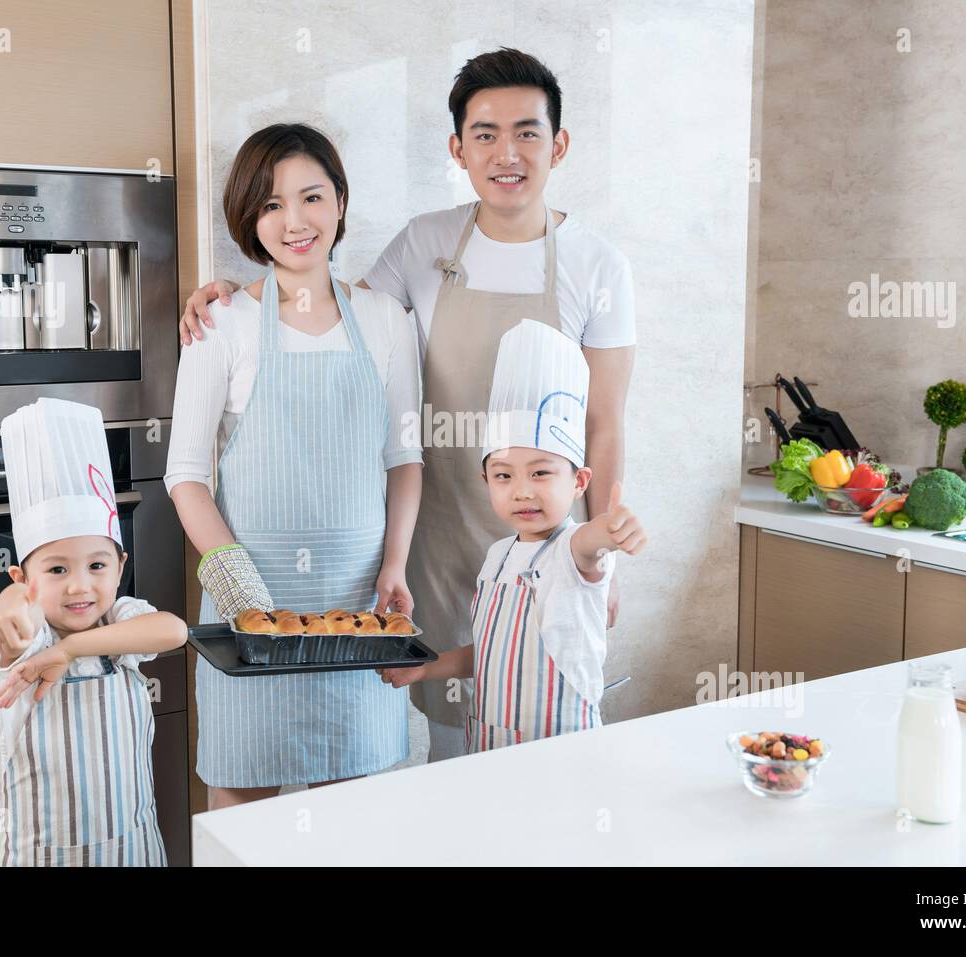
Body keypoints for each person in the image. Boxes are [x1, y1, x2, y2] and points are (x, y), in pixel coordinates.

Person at [179, 49, 636, 761]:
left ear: (559, 143)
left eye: (526, 131)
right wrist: (228, 292)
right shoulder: (424, 244)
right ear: (458, 148)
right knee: (449, 749)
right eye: (484, 134)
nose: (506, 152)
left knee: (544, 732)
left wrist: (602, 556)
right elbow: (319, 300)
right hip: (436, 543)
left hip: (551, 547)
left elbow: (605, 425)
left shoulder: (598, 264)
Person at [165, 124, 422, 808]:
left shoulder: (386, 319)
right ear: (250, 219)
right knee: (245, 814)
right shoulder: (220, 323)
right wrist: (239, 584)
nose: (294, 220)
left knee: (349, 820)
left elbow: (404, 459)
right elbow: (185, 474)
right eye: (271, 204)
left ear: (339, 200)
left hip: (358, 602)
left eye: (311, 196)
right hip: (249, 609)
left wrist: (394, 565)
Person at [379, 321, 647, 750]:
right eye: (504, 476)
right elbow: (488, 657)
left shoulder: (572, 551)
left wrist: (611, 530)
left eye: (541, 473)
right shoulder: (498, 556)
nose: (522, 490)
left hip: (560, 752)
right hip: (491, 747)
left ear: (579, 481)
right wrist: (425, 669)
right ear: (487, 480)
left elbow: (592, 543)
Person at [0, 398, 188, 866]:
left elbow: (173, 630)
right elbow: (12, 631)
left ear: (120, 567)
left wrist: (74, 647)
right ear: (22, 578)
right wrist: (12, 607)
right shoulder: (31, 642)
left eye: (97, 565)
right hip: (43, 857)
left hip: (133, 848)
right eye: (56, 569)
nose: (80, 585)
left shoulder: (121, 620)